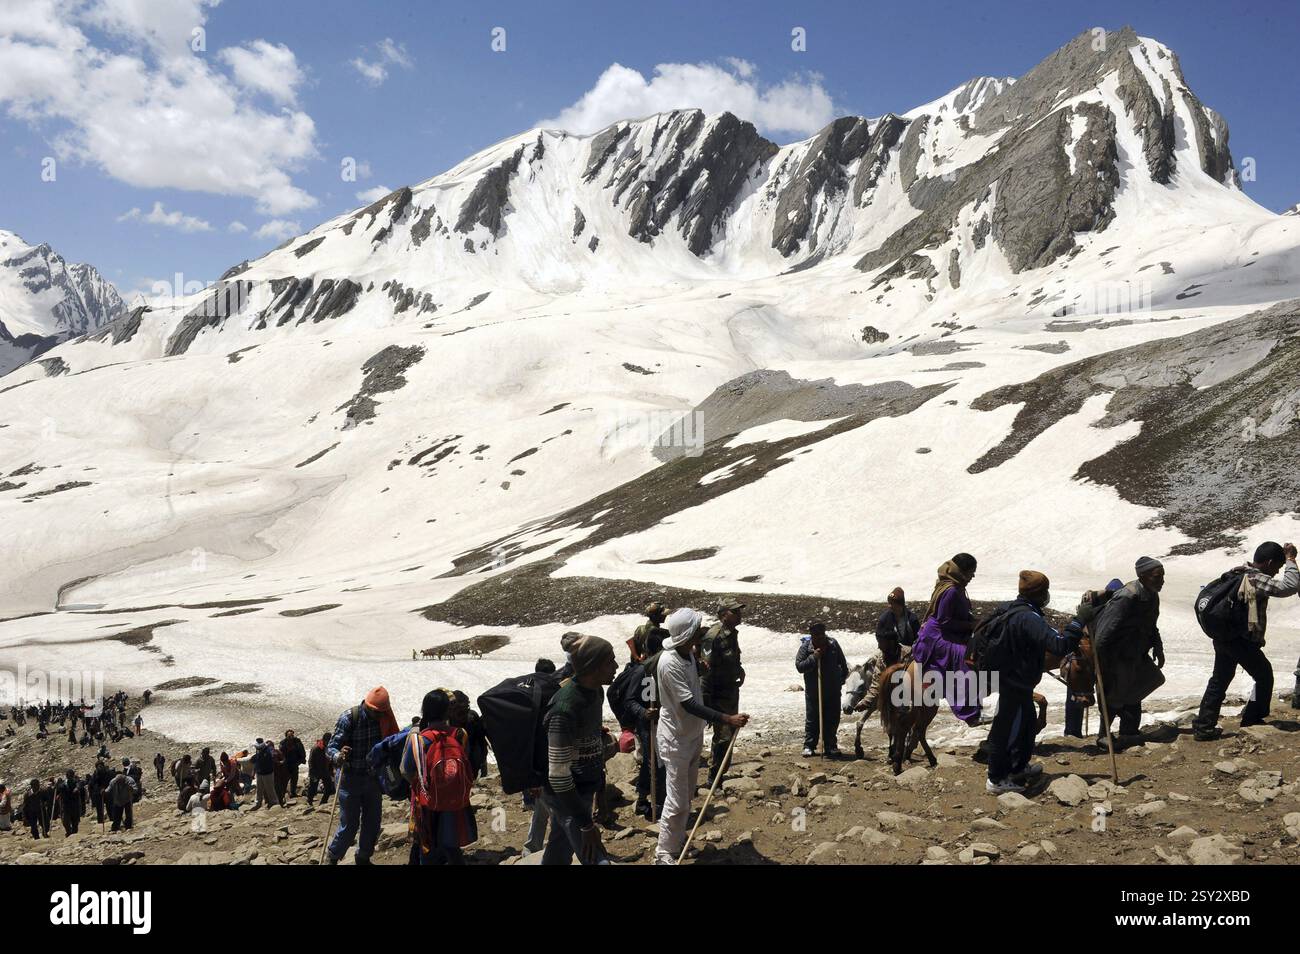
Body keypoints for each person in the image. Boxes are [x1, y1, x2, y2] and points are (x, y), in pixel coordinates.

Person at [654, 609, 749, 864]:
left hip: (692, 734)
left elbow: (694, 683)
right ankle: (663, 852)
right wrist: (726, 718)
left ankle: (677, 840)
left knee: (686, 797)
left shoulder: (689, 655)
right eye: (697, 628)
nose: (701, 630)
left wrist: (701, 670)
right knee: (676, 800)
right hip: (676, 738)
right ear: (687, 634)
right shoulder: (669, 662)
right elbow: (688, 704)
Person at [1193, 542, 1300, 740]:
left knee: (1219, 680)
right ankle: (1252, 719)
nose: (1276, 572)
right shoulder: (1255, 578)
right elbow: (1289, 586)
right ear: (1268, 562)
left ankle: (1204, 726)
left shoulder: (1237, 572)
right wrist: (1291, 560)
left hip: (1224, 636)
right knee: (1264, 675)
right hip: (1241, 640)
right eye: (1277, 567)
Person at [983, 571, 1075, 794]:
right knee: (1007, 728)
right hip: (1014, 682)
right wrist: (1080, 620)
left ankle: (1018, 767)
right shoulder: (1027, 617)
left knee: (1025, 724)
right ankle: (996, 779)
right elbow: (1060, 645)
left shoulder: (1012, 608)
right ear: (1038, 593)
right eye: (1044, 591)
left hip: (1015, 681)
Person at [539, 635, 618, 865]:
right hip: (566, 794)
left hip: (583, 787)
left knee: (558, 852)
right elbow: (559, 776)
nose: (615, 666)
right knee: (596, 858)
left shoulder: (595, 692)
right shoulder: (564, 708)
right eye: (609, 661)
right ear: (593, 665)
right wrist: (586, 823)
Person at [1092, 557, 1166, 747]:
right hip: (1119, 656)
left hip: (1136, 653)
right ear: (1142, 576)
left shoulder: (1151, 595)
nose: (1162, 581)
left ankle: (1129, 731)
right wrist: (1103, 661)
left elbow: (1152, 625)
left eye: (1162, 576)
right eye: (1157, 576)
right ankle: (1104, 736)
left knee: (1140, 686)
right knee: (1115, 695)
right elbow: (1103, 633)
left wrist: (1158, 646)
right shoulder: (1126, 597)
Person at [325, 686, 400, 864]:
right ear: (369, 707)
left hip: (372, 779)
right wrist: (338, 755)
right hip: (349, 778)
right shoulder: (350, 718)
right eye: (377, 712)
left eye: (383, 712)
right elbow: (330, 748)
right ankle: (333, 856)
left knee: (373, 822)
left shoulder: (384, 718)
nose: (380, 716)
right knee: (350, 825)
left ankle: (363, 856)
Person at [402, 689, 478, 865]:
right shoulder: (460, 735)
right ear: (447, 711)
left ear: (425, 711)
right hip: (455, 800)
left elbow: (406, 770)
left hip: (427, 803)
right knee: (452, 846)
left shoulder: (419, 740)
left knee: (427, 847)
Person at [913, 554, 982, 725]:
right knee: (964, 658)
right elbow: (945, 621)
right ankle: (969, 712)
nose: (973, 576)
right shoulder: (951, 590)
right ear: (963, 572)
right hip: (937, 636)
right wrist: (971, 625)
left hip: (947, 631)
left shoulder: (955, 586)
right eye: (971, 573)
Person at [1061, 580, 1123, 737]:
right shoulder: (1095, 605)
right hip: (1087, 655)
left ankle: (1075, 731)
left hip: (1097, 656)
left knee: (1080, 692)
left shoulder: (1115, 608)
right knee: (1078, 692)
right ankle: (1074, 731)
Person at [701, 598, 746, 784]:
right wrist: (706, 703)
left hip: (730, 692)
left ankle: (721, 772)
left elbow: (733, 657)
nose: (739, 614)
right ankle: (714, 776)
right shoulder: (714, 636)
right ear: (723, 615)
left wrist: (740, 669)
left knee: (730, 733)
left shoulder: (731, 634)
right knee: (723, 735)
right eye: (734, 611)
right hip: (717, 695)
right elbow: (705, 670)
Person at [795, 620, 849, 757]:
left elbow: (842, 664)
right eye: (816, 635)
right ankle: (809, 746)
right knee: (813, 719)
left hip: (833, 690)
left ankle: (830, 745)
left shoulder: (833, 644)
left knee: (832, 718)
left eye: (822, 635)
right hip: (814, 691)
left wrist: (840, 680)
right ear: (812, 635)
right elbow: (800, 666)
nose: (820, 638)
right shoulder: (806, 648)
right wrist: (814, 657)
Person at [306, 733, 335, 806]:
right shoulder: (316, 748)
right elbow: (310, 761)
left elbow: (330, 759)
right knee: (313, 788)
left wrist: (331, 771)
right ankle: (309, 801)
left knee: (329, 787)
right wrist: (312, 773)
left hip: (325, 770)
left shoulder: (328, 748)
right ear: (325, 740)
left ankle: (323, 802)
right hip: (315, 771)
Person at [251, 738, 280, 809]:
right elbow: (256, 761)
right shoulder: (259, 750)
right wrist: (254, 772)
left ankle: (274, 802)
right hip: (260, 772)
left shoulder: (268, 750)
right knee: (259, 789)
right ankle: (258, 802)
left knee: (270, 789)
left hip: (268, 773)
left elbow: (272, 755)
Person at [54, 770, 82, 836]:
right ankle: (68, 832)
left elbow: (80, 784)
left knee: (75, 821)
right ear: (66, 776)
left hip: (74, 805)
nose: (70, 778)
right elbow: (57, 790)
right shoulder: (62, 784)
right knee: (65, 820)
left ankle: (74, 833)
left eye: (71, 776)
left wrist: (77, 788)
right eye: (69, 776)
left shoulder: (76, 782)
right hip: (65, 805)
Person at [281, 730, 306, 798]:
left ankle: (293, 792)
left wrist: (301, 759)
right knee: (285, 780)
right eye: (289, 736)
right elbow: (281, 753)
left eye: (292, 735)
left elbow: (302, 750)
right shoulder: (283, 743)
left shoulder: (297, 742)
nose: (291, 737)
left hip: (295, 763)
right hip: (286, 764)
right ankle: (282, 795)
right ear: (286, 736)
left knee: (295, 778)